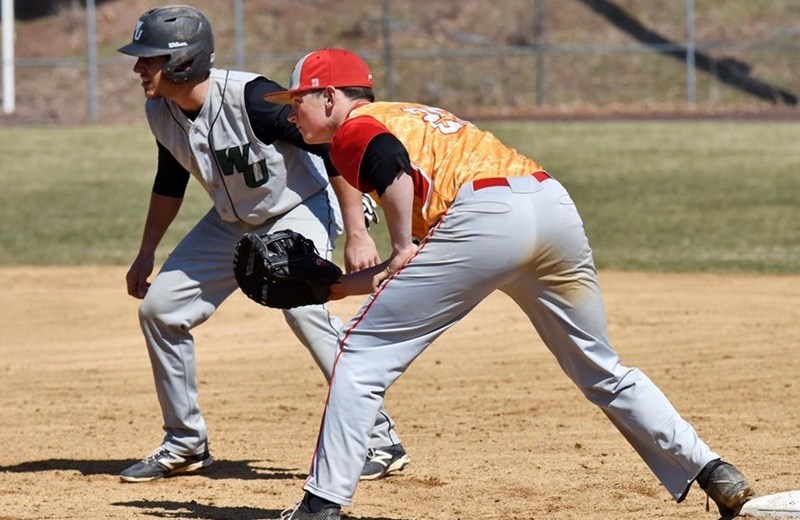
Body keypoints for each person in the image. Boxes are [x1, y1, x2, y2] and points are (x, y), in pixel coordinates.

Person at [264, 48, 757, 520]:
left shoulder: (354, 127)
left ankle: (319, 507)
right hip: (549, 203)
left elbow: (389, 165)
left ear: (329, 97)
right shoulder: (414, 115)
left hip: (482, 217)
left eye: (297, 101)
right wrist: (335, 287)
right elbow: (423, 260)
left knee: (359, 356)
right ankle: (711, 469)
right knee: (600, 367)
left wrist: (395, 243)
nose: (291, 116)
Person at [115, 9, 410, 483]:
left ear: (182, 62)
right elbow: (169, 180)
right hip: (232, 220)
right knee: (160, 311)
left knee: (304, 305)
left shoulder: (250, 98)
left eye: (148, 59)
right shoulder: (159, 111)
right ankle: (185, 443)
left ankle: (380, 437)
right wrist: (147, 251)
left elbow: (335, 148)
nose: (138, 69)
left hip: (301, 203)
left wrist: (356, 231)